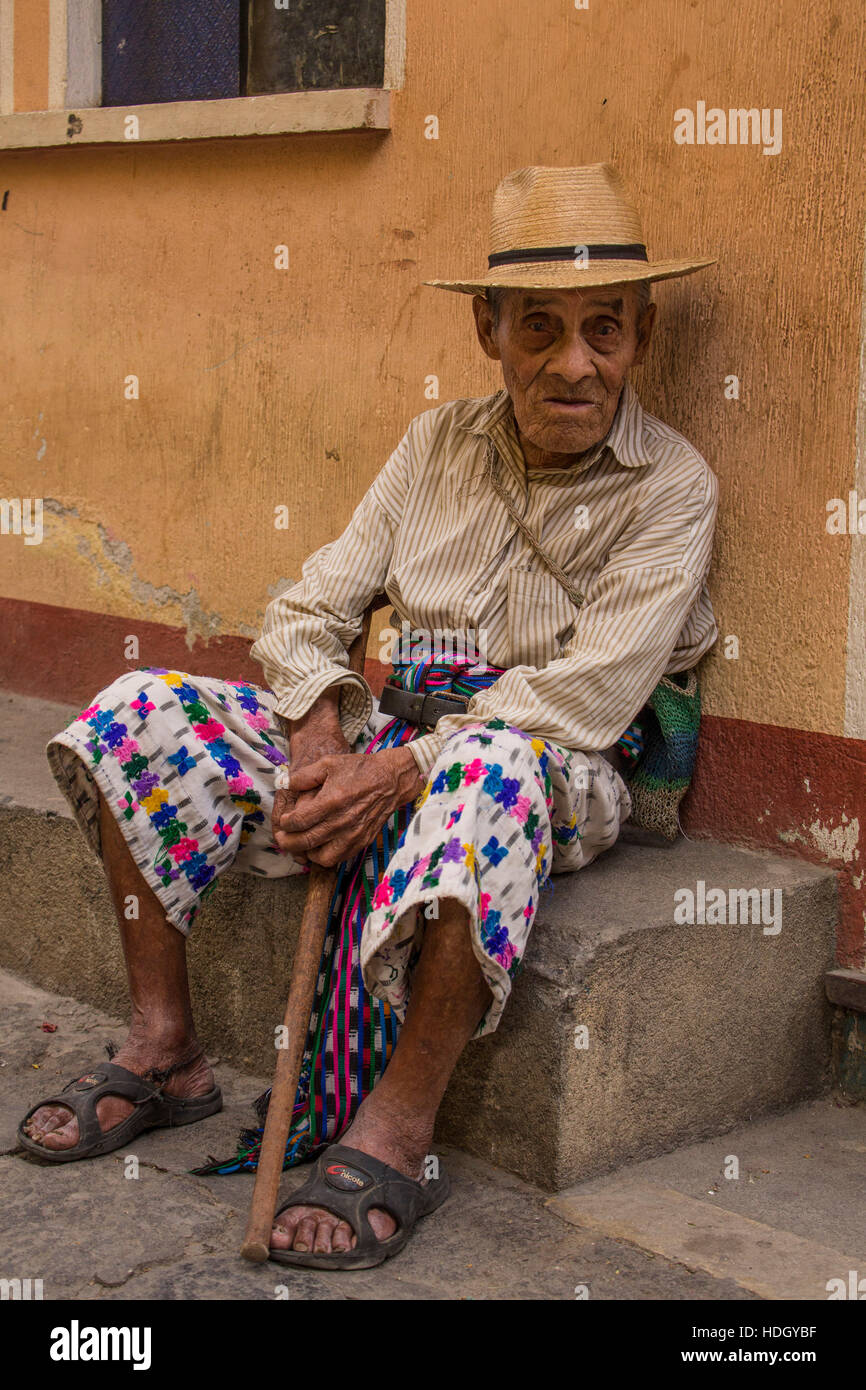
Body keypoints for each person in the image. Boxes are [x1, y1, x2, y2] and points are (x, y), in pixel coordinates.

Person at [19, 163, 719, 1270]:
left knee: (487, 763)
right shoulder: (433, 443)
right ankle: (166, 1052)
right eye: (537, 327)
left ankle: (393, 1130)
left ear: (642, 329)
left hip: (549, 759)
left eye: (602, 329)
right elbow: (310, 609)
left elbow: (587, 694)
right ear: (489, 329)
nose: (571, 363)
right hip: (382, 736)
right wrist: (318, 732)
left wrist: (398, 771)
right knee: (133, 710)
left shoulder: (671, 485)